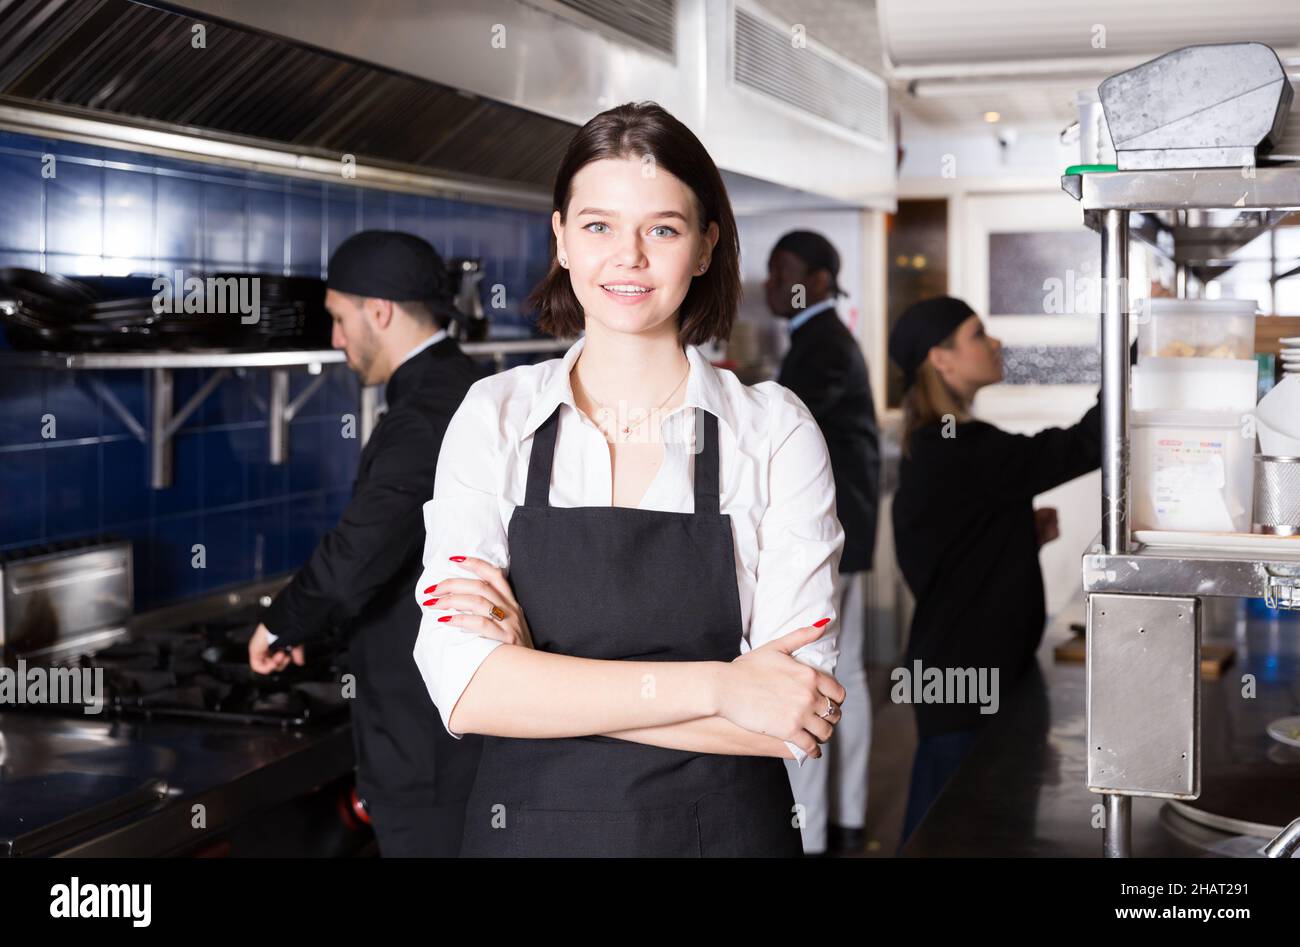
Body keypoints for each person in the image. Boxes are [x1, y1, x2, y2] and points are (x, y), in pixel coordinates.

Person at [411, 101, 847, 857]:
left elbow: (791, 713)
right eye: (599, 225)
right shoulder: (495, 416)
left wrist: (535, 677)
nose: (629, 257)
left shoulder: (774, 431)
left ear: (706, 246)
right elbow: (466, 687)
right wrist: (720, 687)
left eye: (664, 229)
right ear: (562, 240)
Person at [247, 230, 486, 857]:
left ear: (379, 311)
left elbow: (360, 552)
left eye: (338, 319)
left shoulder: (424, 413)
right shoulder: (464, 385)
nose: (335, 339)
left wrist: (282, 624)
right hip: (450, 729)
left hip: (425, 743)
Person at [888, 295, 1100, 847]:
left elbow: (949, 550)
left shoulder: (942, 447)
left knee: (954, 820)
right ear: (943, 359)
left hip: (960, 669)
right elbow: (1084, 444)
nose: (996, 343)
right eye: (978, 334)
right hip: (962, 676)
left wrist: (1015, 531)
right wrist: (1137, 363)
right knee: (948, 829)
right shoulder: (958, 448)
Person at [765, 230, 880, 856]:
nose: (771, 284)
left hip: (831, 541)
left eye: (782, 272)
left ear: (820, 277)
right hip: (848, 536)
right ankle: (845, 819)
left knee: (816, 678)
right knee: (847, 677)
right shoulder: (822, 338)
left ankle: (810, 833)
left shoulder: (822, 344)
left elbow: (788, 432)